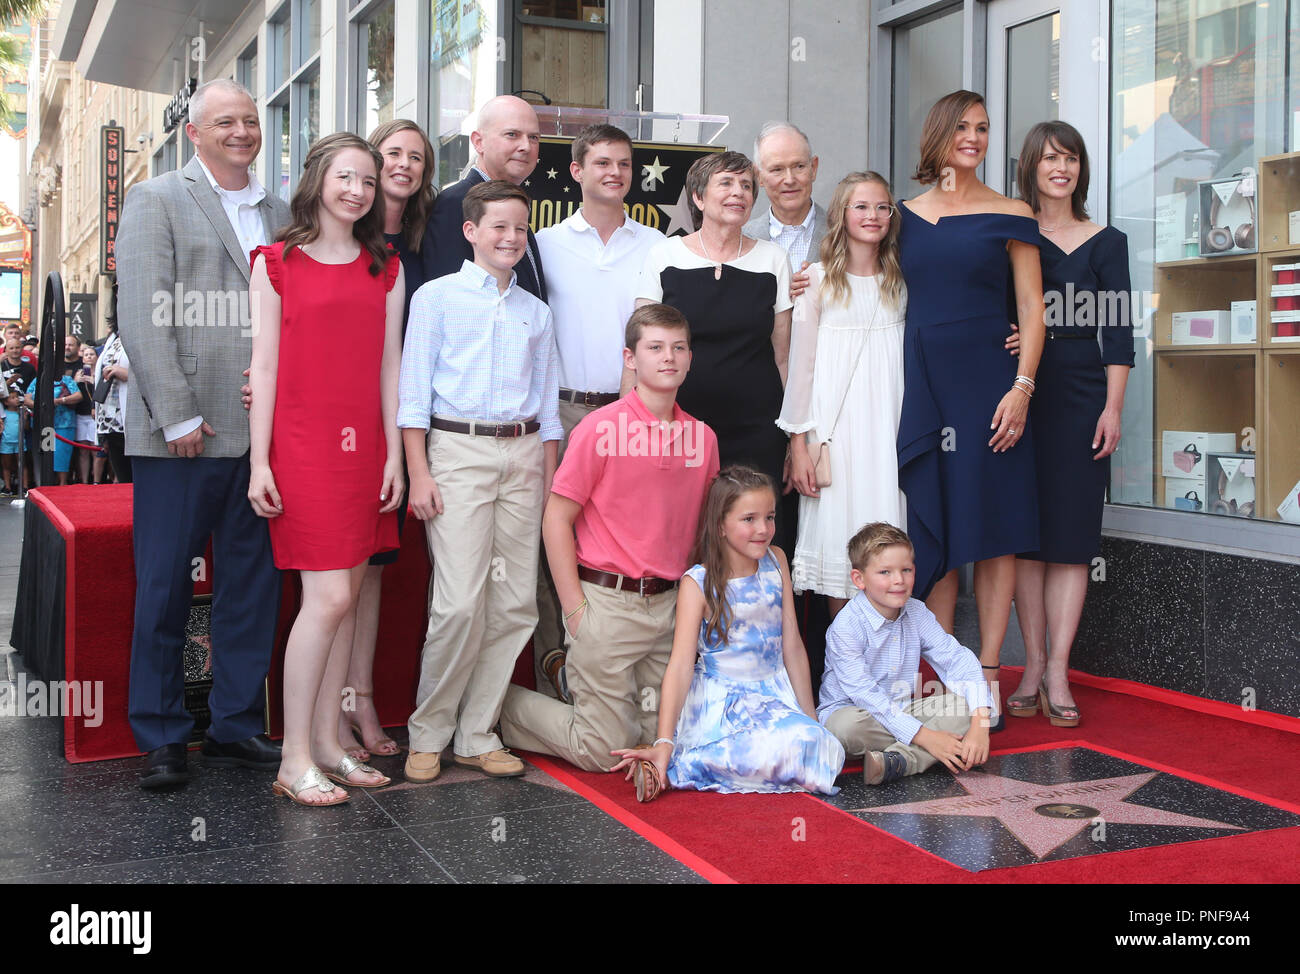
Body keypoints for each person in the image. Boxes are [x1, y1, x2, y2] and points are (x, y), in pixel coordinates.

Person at [115, 78, 290, 789]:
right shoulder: (157, 198)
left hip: (262, 438)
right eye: (225, 122)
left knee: (252, 588)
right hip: (182, 435)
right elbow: (143, 312)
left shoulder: (280, 210)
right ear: (194, 132)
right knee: (164, 588)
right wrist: (177, 412)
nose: (242, 131)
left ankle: (235, 726)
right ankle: (160, 734)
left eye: (249, 120)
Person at [248, 132, 404, 806]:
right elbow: (264, 366)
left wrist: (395, 451)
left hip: (365, 447)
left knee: (344, 604)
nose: (359, 191)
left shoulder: (386, 267)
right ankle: (293, 757)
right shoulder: (276, 262)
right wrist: (260, 461)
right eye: (347, 177)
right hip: (304, 446)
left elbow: (391, 367)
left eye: (368, 181)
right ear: (318, 180)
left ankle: (331, 743)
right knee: (330, 599)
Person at [499, 304, 719, 770]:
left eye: (678, 348)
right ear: (630, 358)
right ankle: (495, 704)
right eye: (655, 347)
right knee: (604, 751)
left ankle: (568, 681)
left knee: (664, 740)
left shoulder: (704, 438)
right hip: (608, 604)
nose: (668, 358)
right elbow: (556, 519)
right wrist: (574, 609)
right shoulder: (600, 429)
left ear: (690, 358)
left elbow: (702, 530)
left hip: (670, 608)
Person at [399, 179, 560, 784]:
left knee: (515, 603)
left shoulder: (536, 313)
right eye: (498, 227)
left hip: (522, 457)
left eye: (520, 229)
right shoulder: (436, 299)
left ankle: (476, 732)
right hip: (457, 452)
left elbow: (547, 409)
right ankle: (428, 731)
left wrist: (545, 485)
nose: (511, 238)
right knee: (460, 601)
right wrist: (420, 473)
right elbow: (412, 396)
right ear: (470, 231)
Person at [895, 89, 1045, 726]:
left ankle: (986, 670)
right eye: (962, 126)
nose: (975, 137)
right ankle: (943, 671)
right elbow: (856, 276)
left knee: (993, 530)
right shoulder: (901, 215)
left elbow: (1034, 311)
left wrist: (1022, 386)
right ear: (936, 133)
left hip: (991, 388)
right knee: (939, 526)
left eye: (983, 128)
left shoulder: (1012, 213)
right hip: (924, 381)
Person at [531, 123, 667, 700]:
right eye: (603, 163)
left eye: (625, 164)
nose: (615, 173)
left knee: (620, 538)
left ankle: (615, 667)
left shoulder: (658, 246)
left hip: (629, 411)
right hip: (561, 410)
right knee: (552, 536)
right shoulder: (544, 244)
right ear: (577, 171)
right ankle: (557, 664)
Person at [1004, 122, 1133, 728]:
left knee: (1073, 538)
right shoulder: (1010, 234)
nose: (1062, 168)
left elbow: (1119, 333)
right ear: (1031, 165)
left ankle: (1058, 668)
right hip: (1022, 393)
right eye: (1051, 158)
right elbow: (990, 306)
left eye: (1072, 159)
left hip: (1083, 395)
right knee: (1027, 537)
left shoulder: (1107, 241)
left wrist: (1113, 407)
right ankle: (1028, 664)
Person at [612, 466, 844, 800]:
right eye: (749, 519)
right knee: (788, 747)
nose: (763, 529)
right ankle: (677, 760)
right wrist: (665, 737)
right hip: (726, 702)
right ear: (721, 525)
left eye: (769, 517)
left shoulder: (776, 560)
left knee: (821, 747)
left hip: (774, 693)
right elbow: (680, 665)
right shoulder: (699, 582)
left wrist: (810, 717)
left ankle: (693, 761)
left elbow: (792, 645)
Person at [335, 118, 437, 764]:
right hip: (346, 413)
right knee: (339, 572)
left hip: (404, 416)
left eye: (416, 158)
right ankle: (334, 710)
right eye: (392, 154)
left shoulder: (430, 241)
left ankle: (362, 696)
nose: (403, 165)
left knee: (371, 570)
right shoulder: (348, 235)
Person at [637, 152, 795, 554]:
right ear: (699, 197)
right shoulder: (664, 257)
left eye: (746, 186)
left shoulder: (774, 260)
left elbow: (784, 358)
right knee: (684, 532)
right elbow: (642, 352)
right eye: (726, 183)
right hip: (681, 426)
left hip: (759, 431)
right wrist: (634, 423)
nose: (738, 193)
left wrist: (797, 437)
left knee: (752, 536)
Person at [779, 172, 907, 617]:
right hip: (835, 438)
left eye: (882, 207)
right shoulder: (815, 281)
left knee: (889, 551)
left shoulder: (901, 281)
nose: (873, 216)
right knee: (842, 553)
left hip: (888, 435)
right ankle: (846, 675)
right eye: (861, 206)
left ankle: (885, 672)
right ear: (841, 215)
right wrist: (799, 443)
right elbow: (800, 370)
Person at [819, 522, 993, 784]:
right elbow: (865, 694)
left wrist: (980, 725)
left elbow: (957, 659)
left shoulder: (917, 612)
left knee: (973, 705)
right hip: (857, 714)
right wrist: (927, 736)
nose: (898, 580)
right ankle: (925, 749)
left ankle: (899, 760)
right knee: (844, 728)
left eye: (906, 570)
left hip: (903, 710)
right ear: (859, 579)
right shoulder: (846, 627)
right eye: (885, 572)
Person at [421, 95, 546, 300]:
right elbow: (445, 299)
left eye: (533, 137)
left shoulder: (515, 204)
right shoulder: (455, 203)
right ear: (479, 142)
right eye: (512, 134)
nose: (526, 146)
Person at [743, 121, 825, 273]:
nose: (789, 180)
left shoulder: (845, 234)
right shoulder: (741, 239)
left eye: (799, 166)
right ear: (758, 176)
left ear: (813, 168)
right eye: (777, 169)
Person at [92, 313, 131, 485]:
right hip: (110, 417)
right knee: (123, 476)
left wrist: (127, 375)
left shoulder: (140, 336)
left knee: (133, 478)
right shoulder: (113, 337)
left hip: (132, 417)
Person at [23, 369, 80, 485]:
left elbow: (78, 396)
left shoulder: (67, 380)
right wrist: (43, 406)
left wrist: (59, 401)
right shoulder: (38, 380)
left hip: (64, 425)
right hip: (45, 424)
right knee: (47, 454)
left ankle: (62, 483)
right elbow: (27, 399)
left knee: (61, 455)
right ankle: (48, 483)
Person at [73, 343, 98, 484]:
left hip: (94, 415)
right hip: (81, 414)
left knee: (94, 449)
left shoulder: (100, 372)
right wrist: (76, 382)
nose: (89, 357)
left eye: (92, 354)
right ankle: (84, 480)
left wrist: (93, 381)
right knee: (83, 450)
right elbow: (72, 391)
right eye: (86, 354)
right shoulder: (79, 372)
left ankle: (96, 479)